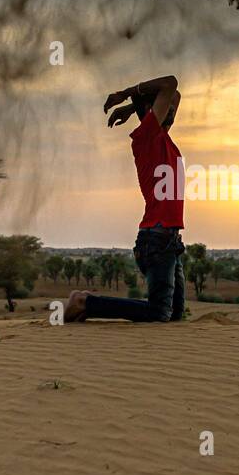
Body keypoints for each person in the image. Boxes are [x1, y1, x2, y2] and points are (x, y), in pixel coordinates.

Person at [64, 75, 185, 323]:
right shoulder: (147, 137)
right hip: (156, 239)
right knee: (158, 313)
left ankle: (87, 304)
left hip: (170, 242)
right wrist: (126, 93)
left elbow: (175, 93)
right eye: (166, 107)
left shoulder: (162, 137)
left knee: (173, 315)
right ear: (152, 111)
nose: (173, 109)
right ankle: (84, 302)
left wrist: (133, 104)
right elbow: (170, 82)